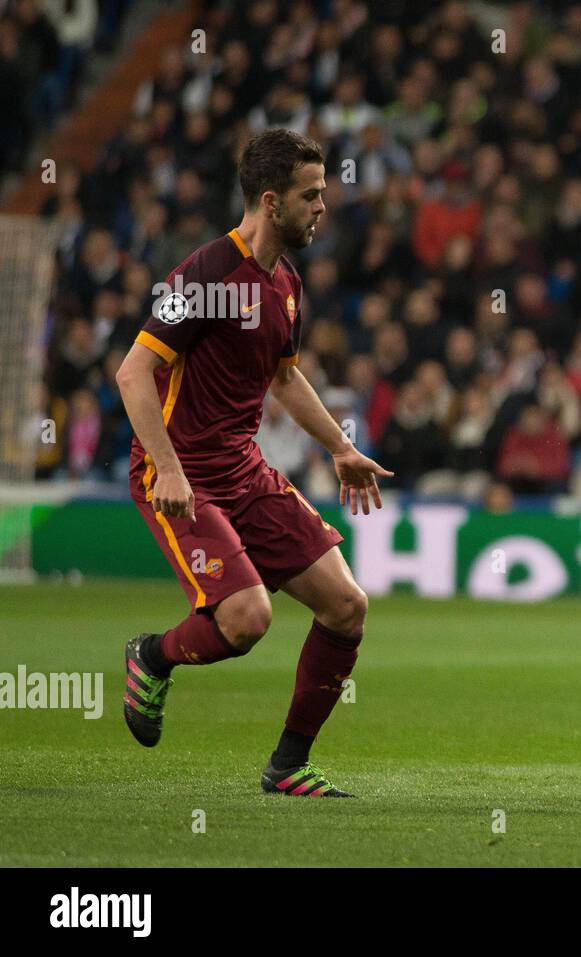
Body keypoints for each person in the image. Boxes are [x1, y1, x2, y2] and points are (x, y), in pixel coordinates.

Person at [114, 129, 393, 797]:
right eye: (311, 195)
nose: (323, 206)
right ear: (271, 202)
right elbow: (132, 373)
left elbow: (286, 380)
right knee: (246, 620)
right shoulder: (205, 273)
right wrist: (172, 470)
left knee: (346, 606)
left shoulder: (286, 284)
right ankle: (152, 655)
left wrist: (341, 447)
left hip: (243, 469)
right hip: (178, 474)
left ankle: (288, 764)